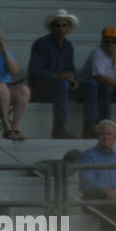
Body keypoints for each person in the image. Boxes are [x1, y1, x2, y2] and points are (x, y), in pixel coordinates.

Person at [29, 8, 85, 139]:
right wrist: (56, 76)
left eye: (64, 25)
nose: (60, 28)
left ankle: (91, 126)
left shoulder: (68, 46)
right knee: (61, 84)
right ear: (51, 27)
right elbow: (35, 70)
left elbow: (71, 68)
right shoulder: (41, 43)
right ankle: (58, 128)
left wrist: (72, 78)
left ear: (69, 28)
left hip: (62, 87)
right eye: (57, 25)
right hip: (42, 88)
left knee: (91, 86)